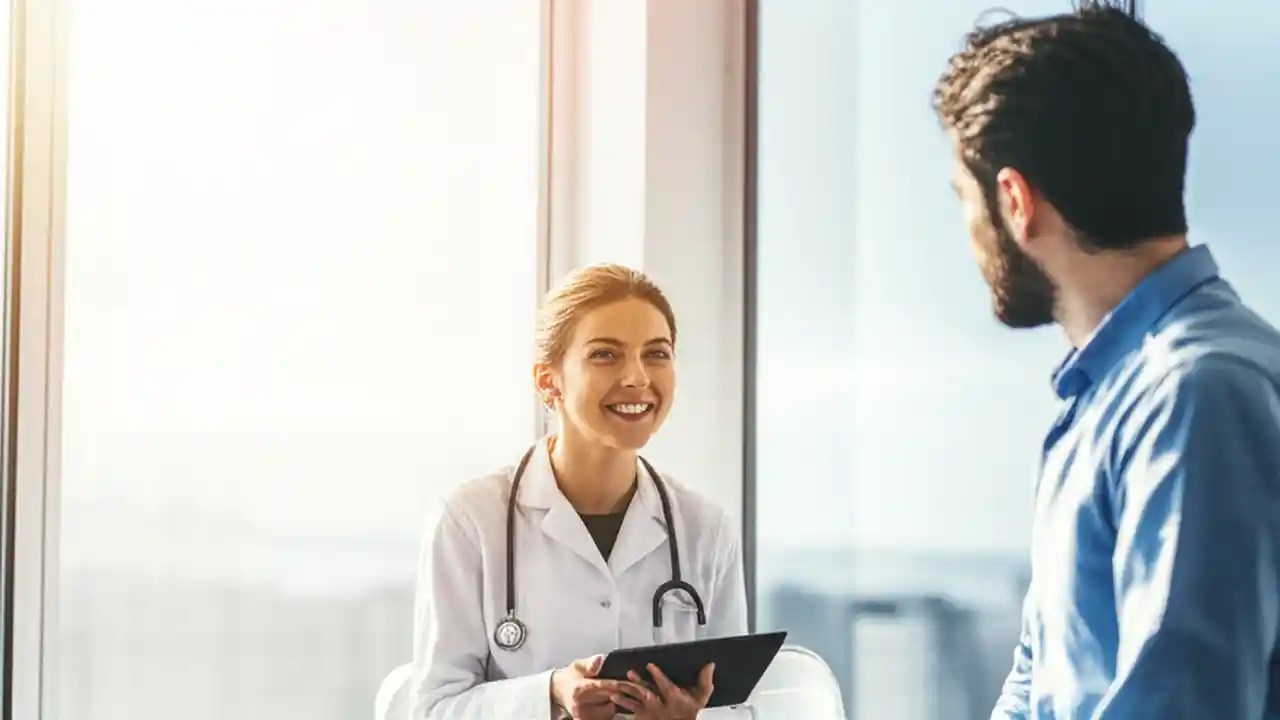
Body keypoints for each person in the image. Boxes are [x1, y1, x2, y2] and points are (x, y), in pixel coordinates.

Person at [932, 3, 1280, 718]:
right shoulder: (1108, 397)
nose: (967, 234)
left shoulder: (1196, 393)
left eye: (963, 200)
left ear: (1015, 200)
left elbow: (1182, 705)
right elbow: (1038, 682)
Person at [411, 263, 748, 719]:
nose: (637, 378)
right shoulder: (472, 521)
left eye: (656, 354)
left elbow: (734, 706)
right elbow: (432, 709)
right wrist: (549, 694)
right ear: (548, 381)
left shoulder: (706, 528)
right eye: (605, 355)